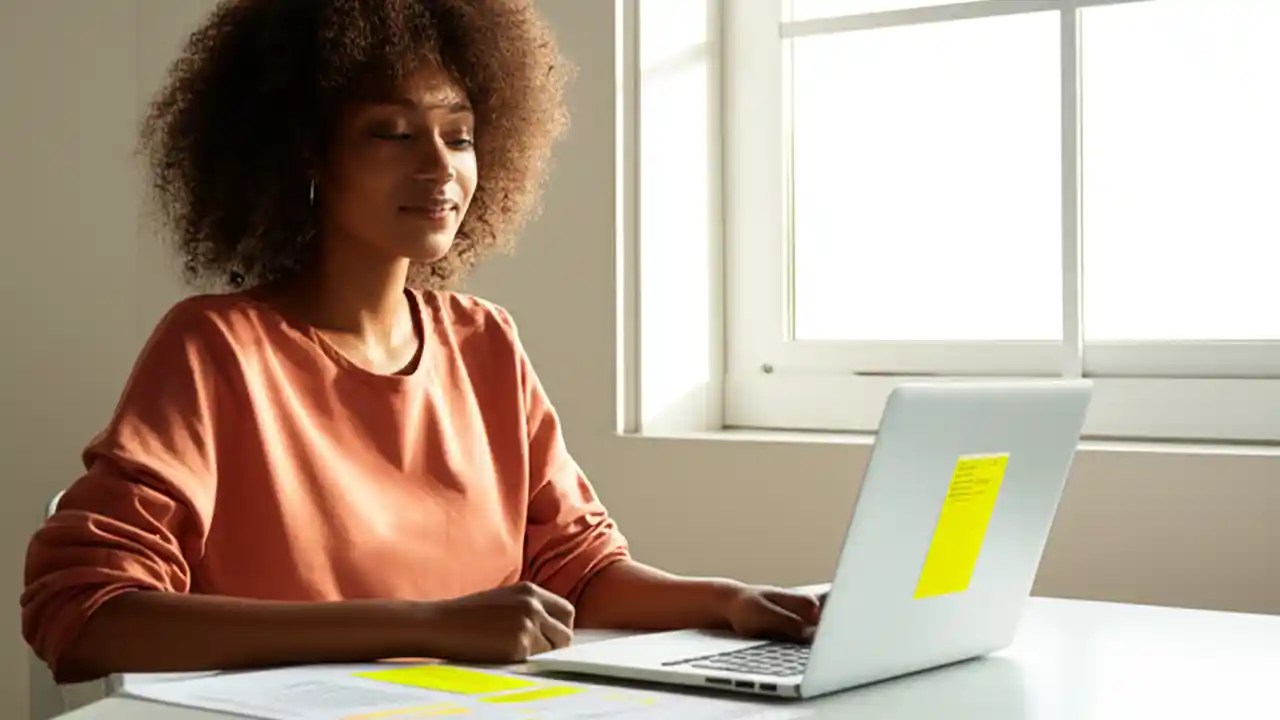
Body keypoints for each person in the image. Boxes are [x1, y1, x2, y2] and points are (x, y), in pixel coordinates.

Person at [21, 0, 822, 684]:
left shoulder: (486, 343)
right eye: (391, 134)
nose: (439, 167)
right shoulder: (219, 350)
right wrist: (423, 626)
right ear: (306, 155)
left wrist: (732, 602)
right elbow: (83, 617)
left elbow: (579, 574)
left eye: (460, 134)